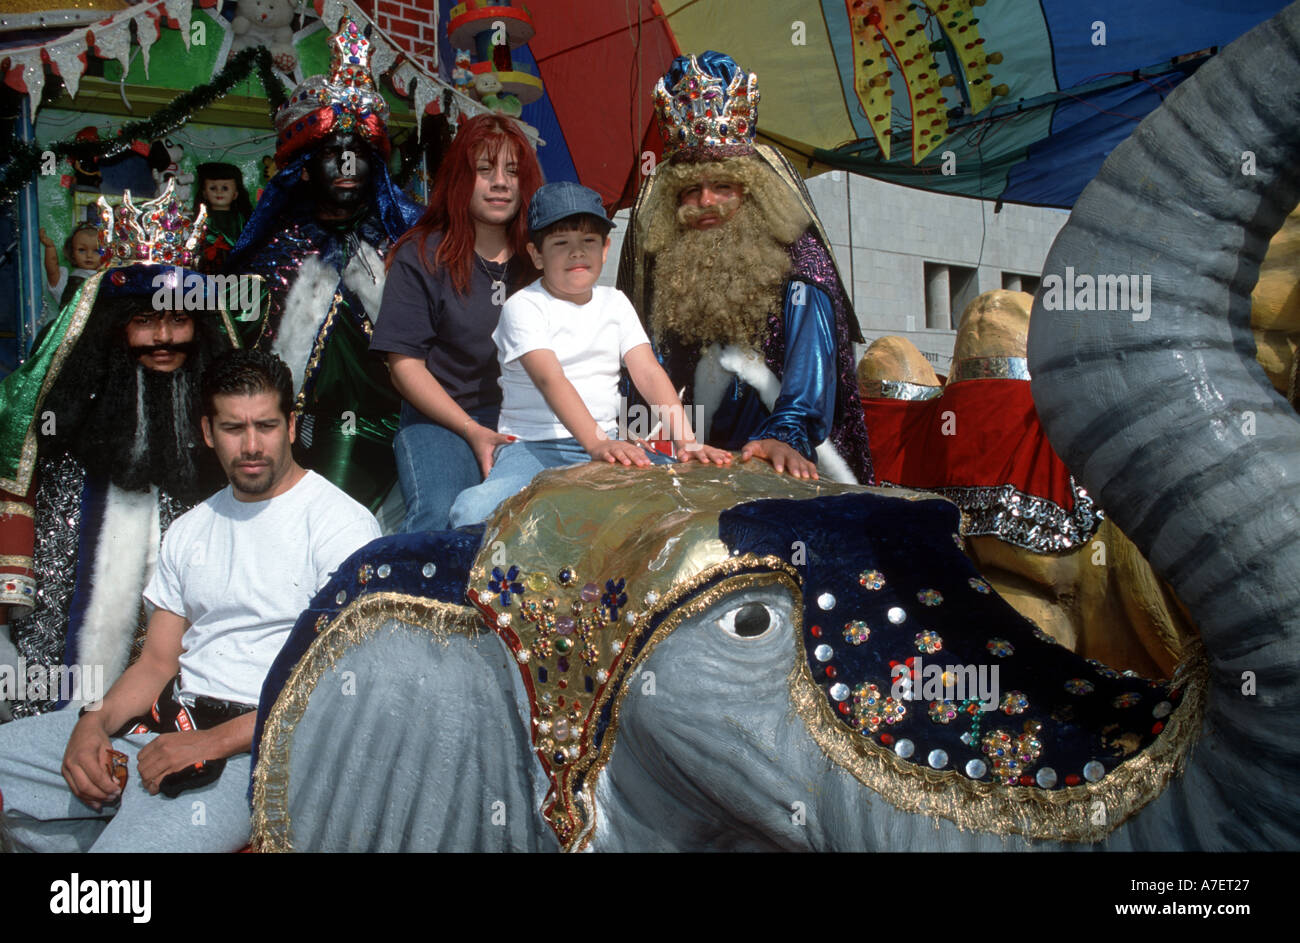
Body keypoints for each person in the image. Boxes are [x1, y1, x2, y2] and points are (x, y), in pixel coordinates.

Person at [0, 350, 382, 853]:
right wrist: (91, 723)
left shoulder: (341, 527)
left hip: (258, 750)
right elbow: (157, 662)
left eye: (265, 426)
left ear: (291, 426)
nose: (250, 446)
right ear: (207, 432)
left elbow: (342, 688)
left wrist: (210, 742)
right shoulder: (190, 529)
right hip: (167, 723)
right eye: (232, 428)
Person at [0, 187, 238, 720]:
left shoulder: (218, 440)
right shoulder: (63, 429)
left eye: (178, 322)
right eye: (144, 322)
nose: (163, 339)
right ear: (114, 329)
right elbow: (15, 466)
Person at [618, 52, 873, 484]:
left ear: (751, 192)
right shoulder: (671, 263)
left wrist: (787, 434)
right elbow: (651, 360)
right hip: (698, 453)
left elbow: (814, 363)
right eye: (691, 191)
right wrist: (643, 428)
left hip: (783, 450)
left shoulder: (799, 259)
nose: (706, 203)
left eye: (722, 187)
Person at [448, 182, 731, 527]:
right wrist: (595, 442)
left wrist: (686, 441)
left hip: (608, 443)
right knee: (473, 511)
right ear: (536, 254)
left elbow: (648, 373)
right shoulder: (524, 306)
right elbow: (549, 378)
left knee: (690, 500)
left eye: (589, 242)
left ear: (606, 249)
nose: (577, 253)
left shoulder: (616, 302)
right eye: (561, 243)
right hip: (535, 447)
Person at [228, 15, 421, 516]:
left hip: (407, 426)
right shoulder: (272, 251)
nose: (348, 167)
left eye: (358, 154)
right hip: (299, 434)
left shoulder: (406, 246)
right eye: (333, 155)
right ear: (305, 166)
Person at [369, 113, 543, 533]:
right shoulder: (421, 256)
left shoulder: (543, 256)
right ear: (461, 178)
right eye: (484, 170)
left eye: (512, 171)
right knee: (442, 516)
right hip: (442, 417)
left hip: (526, 418)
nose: (500, 182)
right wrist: (471, 430)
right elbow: (404, 364)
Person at [192, 162, 253, 273]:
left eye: (225, 188)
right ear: (205, 193)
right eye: (213, 188)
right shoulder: (202, 218)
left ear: (235, 194)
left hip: (234, 266)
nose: (219, 191)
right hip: (207, 266)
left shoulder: (240, 219)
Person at [39, 222, 105, 310]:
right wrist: (50, 247)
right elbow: (52, 271)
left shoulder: (110, 277)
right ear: (72, 253)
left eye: (96, 251)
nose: (89, 255)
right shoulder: (66, 282)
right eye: (82, 250)